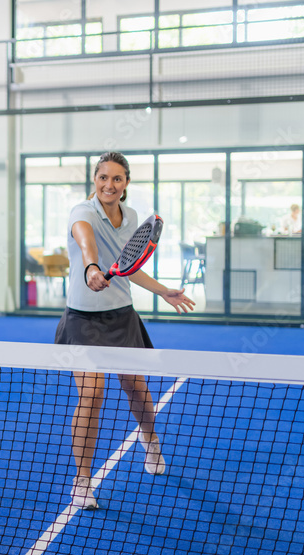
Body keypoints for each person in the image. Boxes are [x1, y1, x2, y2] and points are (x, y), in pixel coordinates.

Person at [55, 151, 195, 510]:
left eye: (117, 179)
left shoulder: (131, 216)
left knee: (135, 387)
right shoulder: (82, 212)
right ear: (95, 180)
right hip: (83, 321)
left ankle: (150, 441)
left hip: (121, 317)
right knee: (93, 393)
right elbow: (85, 242)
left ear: (126, 183)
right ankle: (82, 481)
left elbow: (128, 264)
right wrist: (90, 269)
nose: (109, 185)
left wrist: (162, 290)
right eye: (103, 177)